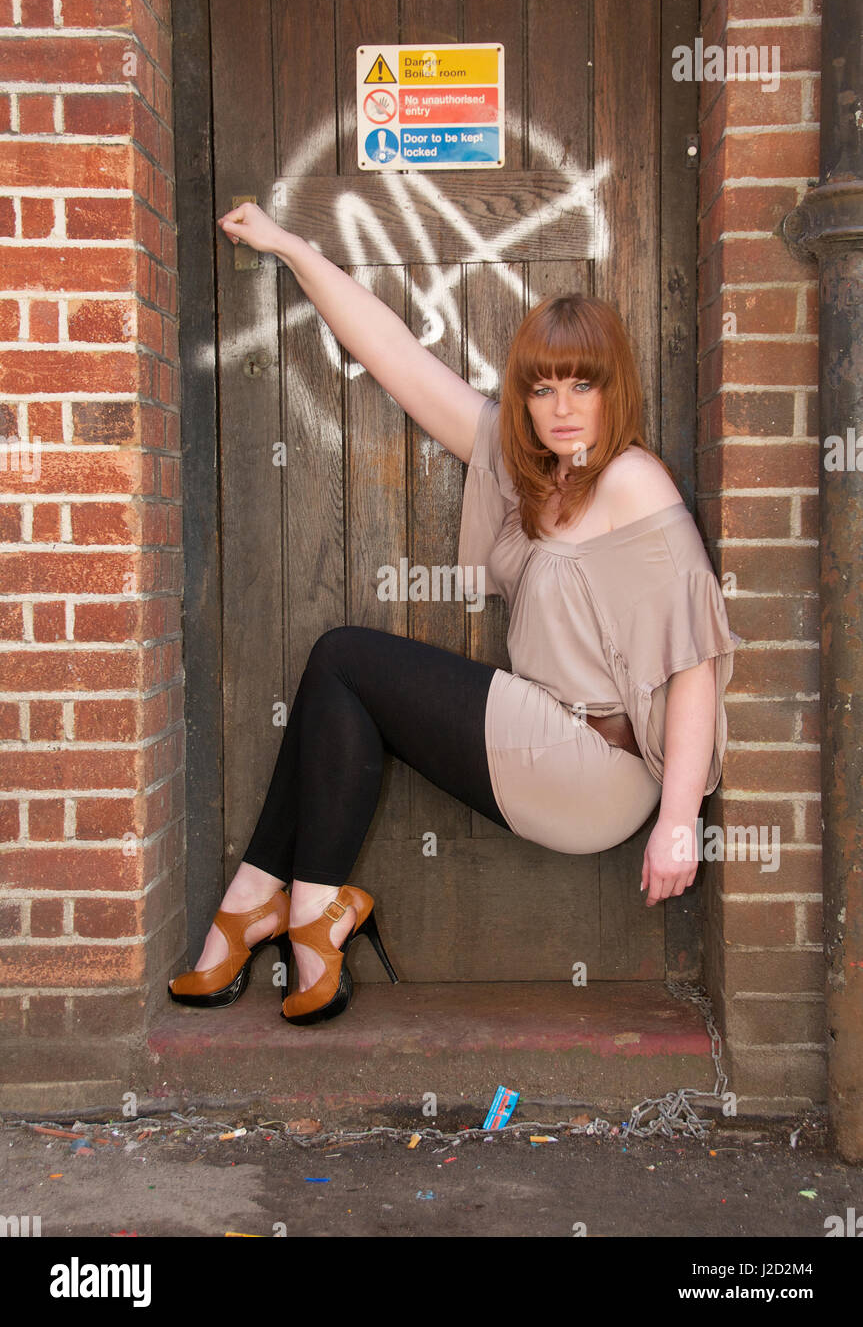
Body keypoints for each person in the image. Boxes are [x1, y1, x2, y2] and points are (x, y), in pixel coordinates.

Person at [168, 202, 741, 1026]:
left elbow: (693, 659)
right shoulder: (524, 467)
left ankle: (296, 909)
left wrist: (681, 820)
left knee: (341, 658)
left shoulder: (630, 483)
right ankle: (271, 905)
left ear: (615, 390)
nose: (562, 406)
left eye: (582, 384)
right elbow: (397, 358)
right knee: (341, 685)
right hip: (551, 738)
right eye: (542, 388)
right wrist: (292, 249)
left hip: (595, 765)